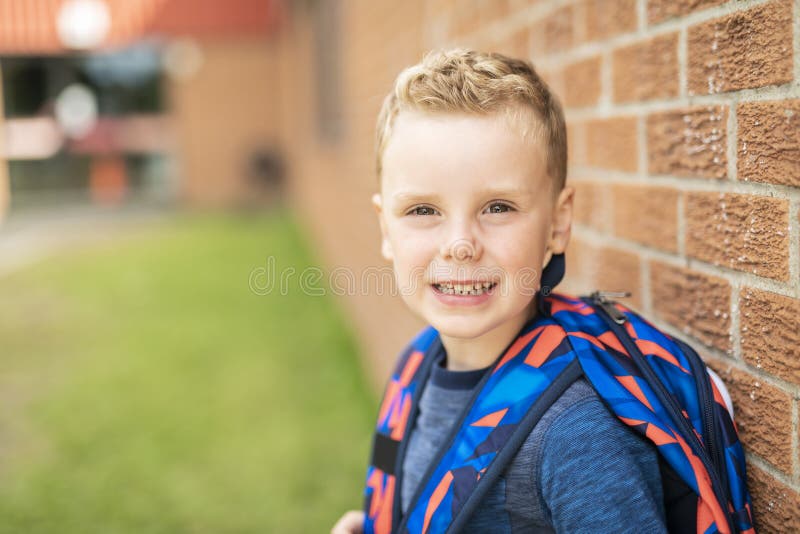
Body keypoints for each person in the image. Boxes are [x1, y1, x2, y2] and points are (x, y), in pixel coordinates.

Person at [333, 48, 668, 533]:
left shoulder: (577, 435)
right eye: (423, 211)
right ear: (385, 228)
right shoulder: (417, 365)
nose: (460, 245)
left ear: (558, 221)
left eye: (498, 207)